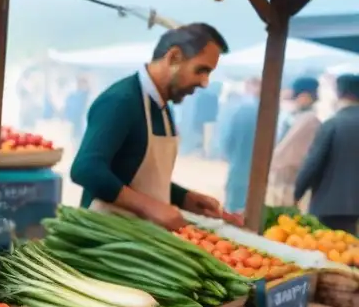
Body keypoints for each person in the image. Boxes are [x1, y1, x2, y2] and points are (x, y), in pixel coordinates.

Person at [70, 23, 237, 230]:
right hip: (103, 235)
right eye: (201, 70)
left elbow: (133, 175)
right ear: (174, 57)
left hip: (137, 234)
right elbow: (85, 169)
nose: (204, 82)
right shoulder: (121, 100)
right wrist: (150, 207)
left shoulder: (162, 107)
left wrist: (184, 197)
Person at [294, 74, 359, 232]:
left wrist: (296, 193)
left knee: (324, 251)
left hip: (327, 206)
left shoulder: (333, 124)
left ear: (339, 93)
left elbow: (313, 163)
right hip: (355, 211)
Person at [267, 77, 321, 207]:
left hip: (290, 177)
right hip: (284, 176)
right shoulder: (296, 115)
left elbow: (288, 149)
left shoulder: (309, 120)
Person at [219, 77, 260, 214]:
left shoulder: (245, 109)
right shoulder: (259, 110)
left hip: (241, 159)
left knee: (235, 194)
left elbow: (230, 134)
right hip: (247, 159)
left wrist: (227, 150)